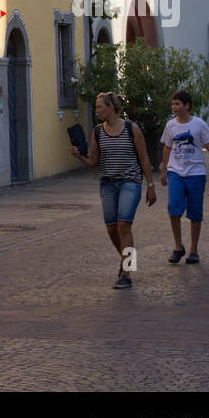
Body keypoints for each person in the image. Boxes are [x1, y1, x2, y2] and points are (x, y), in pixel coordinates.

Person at [71, 91, 156, 288]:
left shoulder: (131, 128)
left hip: (130, 181)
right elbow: (93, 161)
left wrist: (150, 186)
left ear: (111, 107)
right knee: (111, 228)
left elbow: (144, 158)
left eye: (100, 106)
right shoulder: (98, 131)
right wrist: (78, 156)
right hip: (108, 183)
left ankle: (126, 273)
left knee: (123, 225)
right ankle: (127, 260)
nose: (97, 110)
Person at [159, 90, 209, 263]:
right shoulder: (170, 125)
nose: (174, 107)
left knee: (195, 212)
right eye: (173, 104)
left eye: (178, 104)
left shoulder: (198, 124)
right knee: (173, 208)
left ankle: (193, 250)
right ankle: (178, 247)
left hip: (196, 173)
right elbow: (167, 147)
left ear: (187, 106)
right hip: (175, 172)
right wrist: (164, 170)